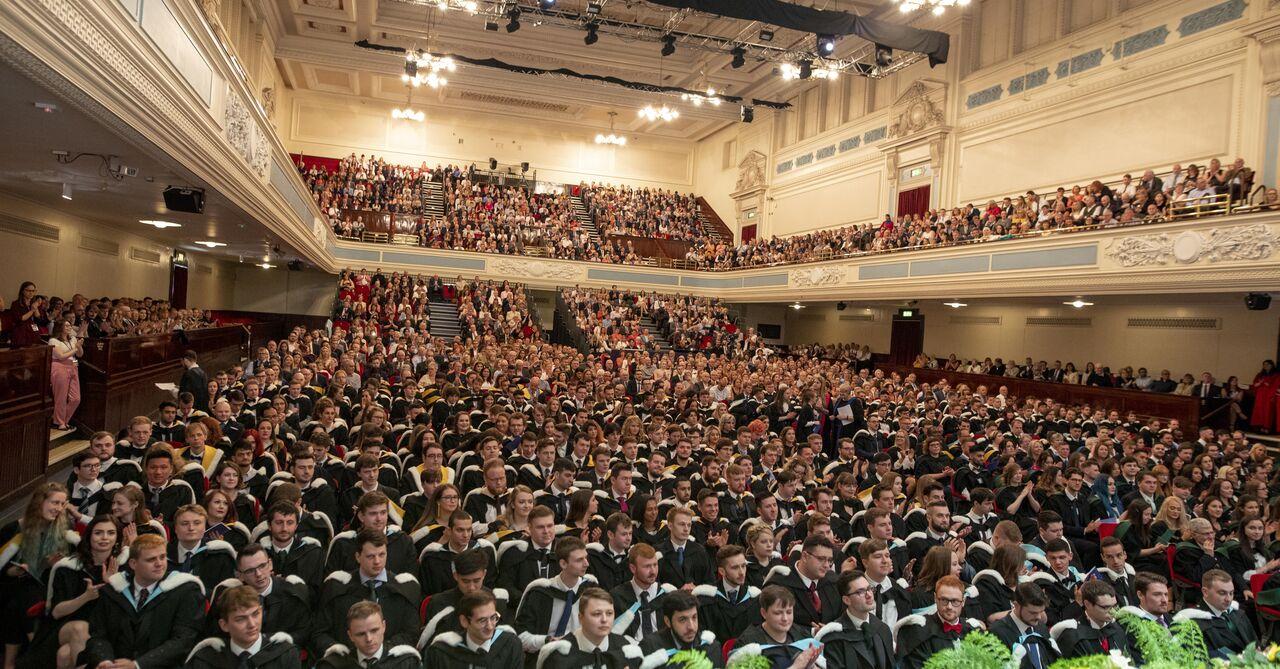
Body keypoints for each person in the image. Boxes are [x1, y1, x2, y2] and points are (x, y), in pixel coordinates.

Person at [79, 533, 207, 668]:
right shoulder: (114, 590)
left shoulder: (185, 590)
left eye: (162, 557)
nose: (159, 564)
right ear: (133, 564)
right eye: (151, 559)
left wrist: (137, 665)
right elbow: (98, 636)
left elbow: (183, 641)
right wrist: (105, 662)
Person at [313, 528, 422, 655]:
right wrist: (343, 653)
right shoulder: (336, 588)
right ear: (358, 557)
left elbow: (411, 633)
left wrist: (382, 651)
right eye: (370, 556)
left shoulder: (405, 589)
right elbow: (319, 633)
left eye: (382, 555)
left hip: (391, 661)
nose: (377, 561)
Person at [1, 482, 73, 669]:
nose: (58, 508)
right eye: (54, 502)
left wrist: (52, 565)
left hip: (44, 585)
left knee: (18, 603)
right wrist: (11, 571)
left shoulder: (64, 531)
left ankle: (10, 663)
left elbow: (66, 569)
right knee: (20, 597)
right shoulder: (14, 529)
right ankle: (37, 653)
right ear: (39, 502)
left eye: (62, 504)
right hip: (11, 584)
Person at [184, 584, 302, 668]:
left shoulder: (285, 654)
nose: (252, 624)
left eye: (255, 614)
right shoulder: (206, 660)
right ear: (224, 625)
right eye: (241, 619)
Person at [513, 536, 597, 654]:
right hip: (545, 656)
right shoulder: (540, 592)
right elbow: (520, 637)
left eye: (586, 558)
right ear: (563, 564)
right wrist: (547, 641)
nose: (586, 564)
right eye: (579, 560)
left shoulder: (591, 589)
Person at [535, 587, 644, 669]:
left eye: (609, 613)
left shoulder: (626, 650)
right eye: (597, 614)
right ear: (580, 618)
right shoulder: (560, 655)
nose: (604, 619)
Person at [895, 575, 983, 669]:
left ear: (963, 601)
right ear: (935, 598)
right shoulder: (919, 632)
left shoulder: (973, 630)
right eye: (944, 600)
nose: (949, 606)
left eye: (955, 601)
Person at [814, 570, 893, 669]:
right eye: (860, 592)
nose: (869, 595)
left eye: (869, 589)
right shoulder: (834, 637)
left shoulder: (882, 629)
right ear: (846, 600)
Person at [425, 590, 523, 668]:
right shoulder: (443, 651)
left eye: (493, 618)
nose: (490, 626)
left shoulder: (510, 645)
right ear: (464, 621)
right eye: (482, 621)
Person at [730, 586, 821, 669]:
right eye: (778, 613)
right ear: (764, 613)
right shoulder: (748, 644)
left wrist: (809, 666)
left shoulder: (801, 635)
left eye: (789, 612)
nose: (785, 618)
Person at [763, 535, 841, 631]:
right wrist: (811, 632)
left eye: (829, 560)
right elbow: (772, 623)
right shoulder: (779, 585)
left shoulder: (832, 582)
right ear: (804, 556)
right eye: (821, 559)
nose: (826, 565)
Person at [1175, 569, 1256, 659]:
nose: (1228, 599)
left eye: (1231, 593)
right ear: (1205, 592)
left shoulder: (1238, 613)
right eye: (1222, 593)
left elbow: (1256, 645)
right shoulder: (1193, 623)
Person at [316, 601, 422, 669]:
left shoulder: (406, 663)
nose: (369, 639)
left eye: (374, 630)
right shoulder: (333, 665)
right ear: (350, 635)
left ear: (384, 626)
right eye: (361, 634)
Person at [637, 591, 723, 668]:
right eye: (682, 620)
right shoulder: (650, 648)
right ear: (667, 622)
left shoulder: (711, 647)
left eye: (694, 617)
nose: (691, 627)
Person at [693, 544, 761, 641]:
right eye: (735, 568)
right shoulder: (706, 599)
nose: (742, 572)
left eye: (743, 566)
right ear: (722, 571)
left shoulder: (754, 598)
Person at [610, 543, 675, 638]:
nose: (653, 571)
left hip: (663, 650)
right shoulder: (617, 597)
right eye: (647, 566)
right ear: (633, 568)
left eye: (655, 565)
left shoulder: (667, 595)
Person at [1051, 580, 1129, 659]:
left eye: (1114, 606)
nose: (1113, 611)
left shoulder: (1117, 628)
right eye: (1105, 607)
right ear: (1087, 604)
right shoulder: (1072, 636)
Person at [989, 583, 1060, 669]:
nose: (1038, 617)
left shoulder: (1041, 628)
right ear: (1016, 605)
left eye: (1041, 611)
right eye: (1032, 612)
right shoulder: (996, 633)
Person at [48, 318, 83, 431]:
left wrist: (79, 346)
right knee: (61, 397)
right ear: (60, 327)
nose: (69, 328)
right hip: (59, 367)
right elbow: (61, 356)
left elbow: (80, 354)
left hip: (73, 367)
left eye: (70, 326)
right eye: (66, 326)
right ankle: (59, 422)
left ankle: (62, 420)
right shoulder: (53, 341)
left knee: (76, 398)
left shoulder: (72, 339)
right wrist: (75, 348)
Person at [8, 282, 43, 347]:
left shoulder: (34, 303)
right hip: (21, 332)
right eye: (29, 290)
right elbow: (20, 319)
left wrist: (36, 306)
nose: (31, 293)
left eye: (33, 291)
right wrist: (32, 310)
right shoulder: (16, 304)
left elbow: (38, 318)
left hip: (33, 330)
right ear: (23, 291)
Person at [180, 350, 210, 414]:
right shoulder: (202, 372)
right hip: (202, 409)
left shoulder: (188, 374)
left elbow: (186, 395)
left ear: (185, 360)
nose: (181, 364)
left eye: (181, 361)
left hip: (191, 410)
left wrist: (174, 391)